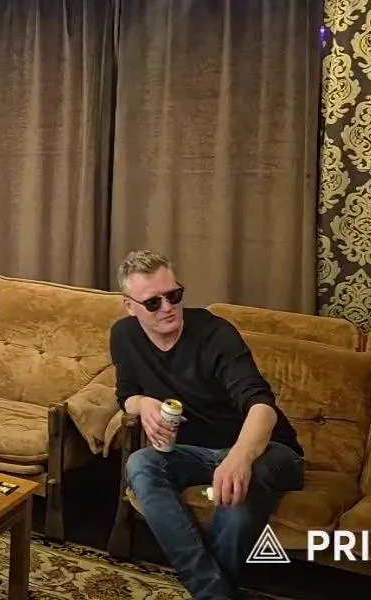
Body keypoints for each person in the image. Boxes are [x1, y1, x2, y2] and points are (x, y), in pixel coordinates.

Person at [112, 250, 304, 600]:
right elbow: (125, 394)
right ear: (130, 307)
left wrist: (240, 457)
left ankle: (210, 593)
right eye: (153, 302)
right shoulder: (124, 336)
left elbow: (262, 406)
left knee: (243, 478)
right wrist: (143, 404)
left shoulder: (216, 334)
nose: (167, 307)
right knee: (140, 463)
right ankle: (214, 592)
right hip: (197, 454)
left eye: (174, 295)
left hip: (270, 452)